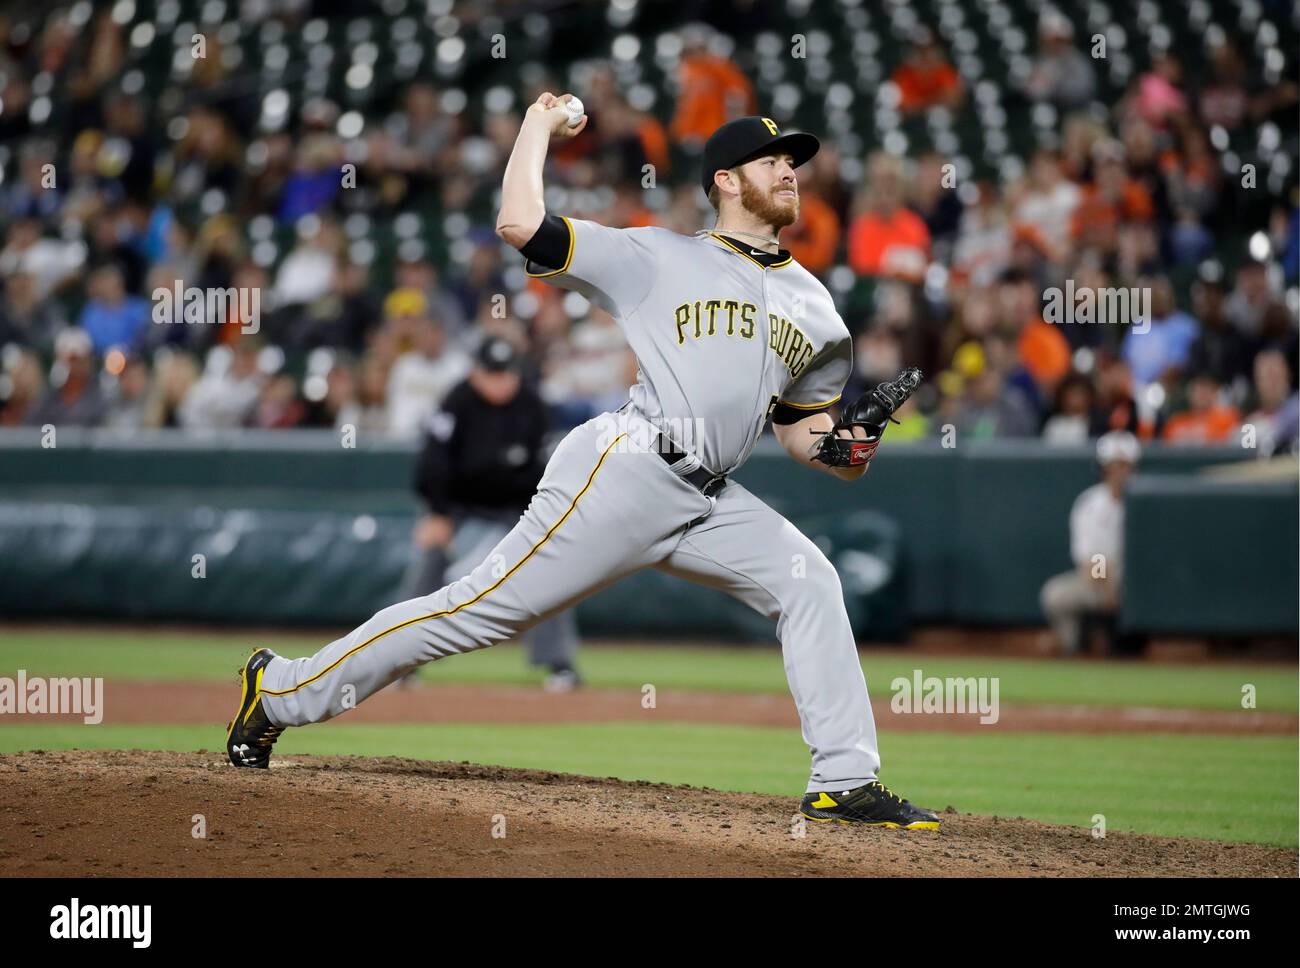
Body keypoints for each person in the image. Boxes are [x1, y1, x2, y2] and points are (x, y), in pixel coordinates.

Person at [226, 102, 940, 831]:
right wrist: (536, 123)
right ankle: (277, 689)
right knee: (473, 612)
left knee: (811, 581)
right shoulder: (657, 256)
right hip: (626, 471)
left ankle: (844, 780)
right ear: (726, 180)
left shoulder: (816, 307)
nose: (789, 170)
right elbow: (520, 224)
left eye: (794, 160)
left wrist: (850, 446)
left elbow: (803, 436)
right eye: (772, 161)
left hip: (708, 500)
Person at [400, 336, 582, 690]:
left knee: (551, 567)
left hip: (519, 507)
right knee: (429, 561)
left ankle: (559, 664)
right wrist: (437, 513)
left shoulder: (532, 405)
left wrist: (544, 523)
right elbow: (434, 460)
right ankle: (401, 660)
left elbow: (549, 470)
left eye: (505, 373)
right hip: (460, 505)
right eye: (491, 373)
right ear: (476, 372)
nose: (499, 382)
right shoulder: (457, 400)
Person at [1039, 431, 1138, 654]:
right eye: (1115, 465)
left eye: (1125, 465)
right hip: (1100, 580)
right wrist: (1107, 584)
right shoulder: (1090, 504)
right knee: (1055, 594)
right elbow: (1089, 559)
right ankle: (1072, 646)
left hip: (1137, 583)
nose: (1120, 472)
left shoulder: (1144, 502)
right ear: (1104, 468)